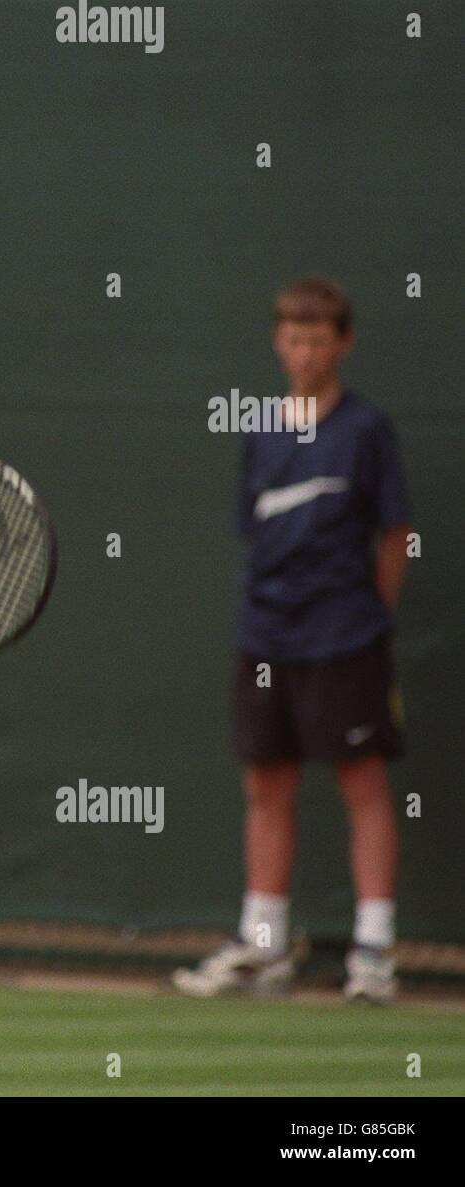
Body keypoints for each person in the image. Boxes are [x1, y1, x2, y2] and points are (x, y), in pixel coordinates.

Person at [174, 277, 411, 1003]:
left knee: (362, 783)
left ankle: (373, 950)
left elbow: (397, 534)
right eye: (294, 338)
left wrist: (367, 615)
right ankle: (266, 945)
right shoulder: (261, 427)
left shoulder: (367, 431)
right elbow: (258, 530)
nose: (305, 353)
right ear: (279, 343)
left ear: (342, 343)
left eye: (318, 339)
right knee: (265, 783)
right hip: (266, 632)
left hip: (345, 635)